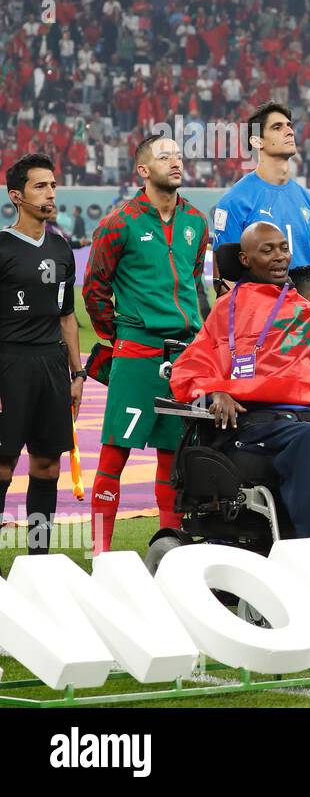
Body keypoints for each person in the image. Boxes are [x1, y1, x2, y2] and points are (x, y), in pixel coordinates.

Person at [168, 223, 310, 538]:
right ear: (245, 259)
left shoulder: (298, 309)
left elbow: (303, 380)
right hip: (247, 425)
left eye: (283, 248)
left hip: (297, 418)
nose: (280, 256)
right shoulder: (227, 308)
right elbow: (192, 365)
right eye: (267, 250)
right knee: (306, 437)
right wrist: (215, 392)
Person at [83, 135, 209, 552]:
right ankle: (101, 554)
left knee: (174, 458)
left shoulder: (196, 221)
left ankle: (169, 550)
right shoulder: (119, 222)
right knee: (115, 452)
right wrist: (123, 333)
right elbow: (95, 287)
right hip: (137, 355)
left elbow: (192, 281)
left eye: (178, 155)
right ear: (142, 170)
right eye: (164, 156)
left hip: (184, 358)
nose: (175, 161)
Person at [0, 154, 82, 553]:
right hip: (9, 363)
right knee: (2, 465)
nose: (51, 193)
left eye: (52, 185)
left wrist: (77, 374)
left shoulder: (61, 249)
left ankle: (38, 558)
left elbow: (67, 317)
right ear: (17, 196)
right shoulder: (1, 246)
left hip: (51, 364)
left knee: (48, 464)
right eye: (40, 186)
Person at [211, 102, 310, 293]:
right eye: (277, 127)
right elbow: (225, 283)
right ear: (257, 141)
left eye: (289, 126)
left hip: (302, 318)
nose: (289, 132)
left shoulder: (309, 202)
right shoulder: (234, 202)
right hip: (259, 318)